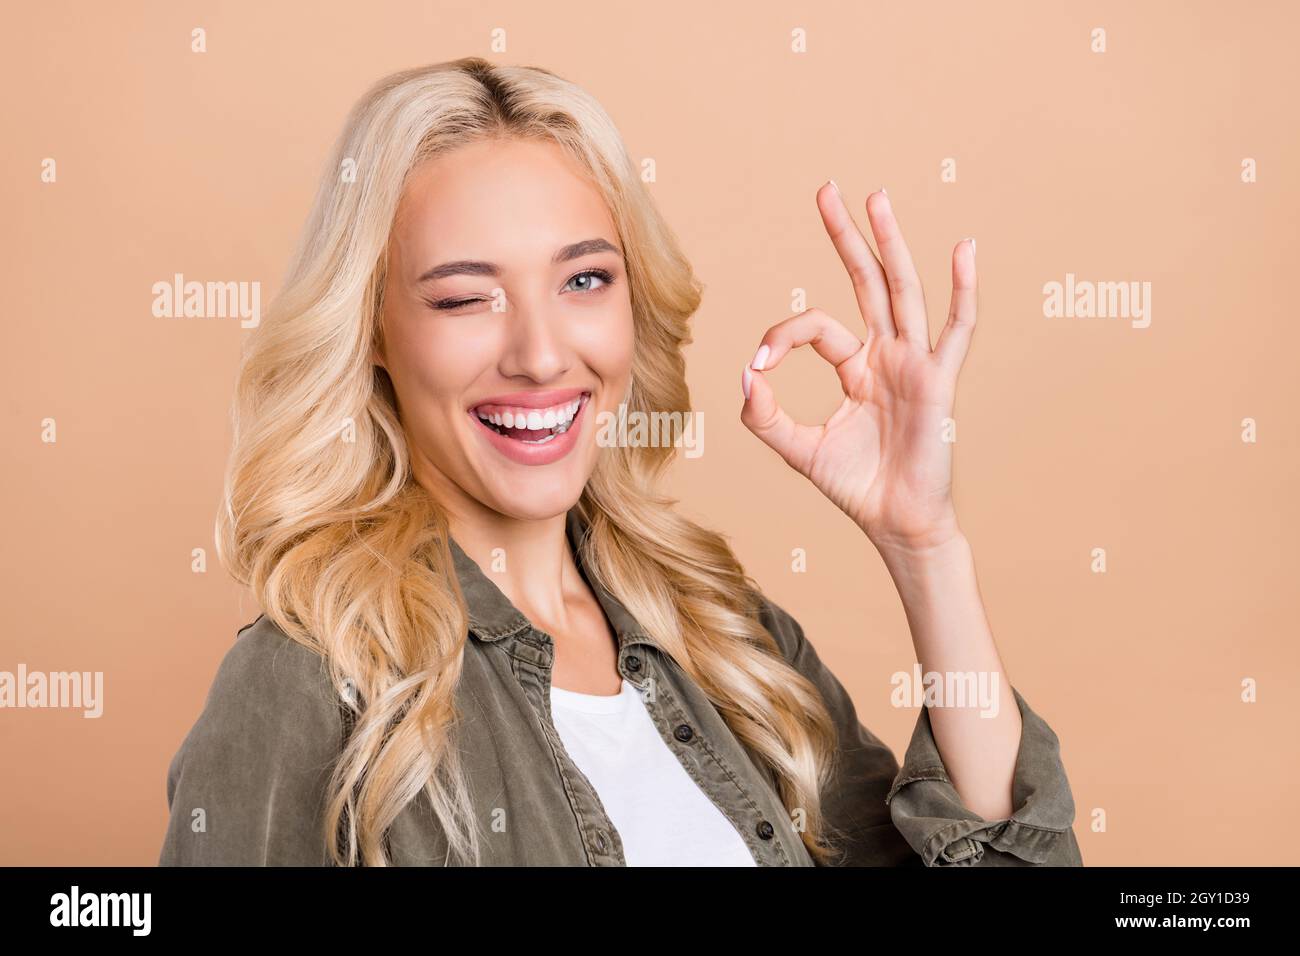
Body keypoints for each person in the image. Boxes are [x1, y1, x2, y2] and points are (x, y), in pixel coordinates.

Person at [159, 56, 1082, 867]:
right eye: (464, 298)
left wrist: (925, 547)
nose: (540, 353)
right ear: (370, 335)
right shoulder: (306, 690)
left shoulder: (728, 640)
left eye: (584, 280)